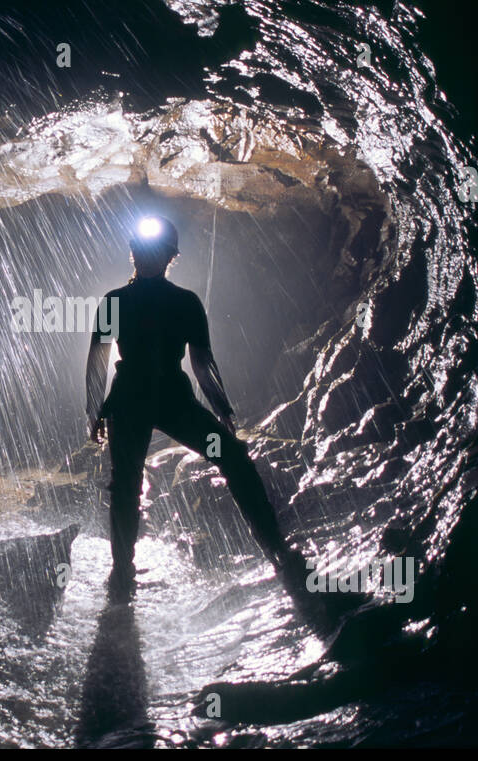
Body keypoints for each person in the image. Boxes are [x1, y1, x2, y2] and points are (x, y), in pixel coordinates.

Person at [85, 216, 353, 624]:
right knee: (126, 484)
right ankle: (123, 571)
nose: (149, 257)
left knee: (233, 457)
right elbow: (98, 358)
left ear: (169, 258)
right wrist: (94, 408)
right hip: (131, 403)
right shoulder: (116, 301)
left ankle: (275, 547)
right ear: (135, 254)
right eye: (144, 251)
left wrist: (222, 408)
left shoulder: (184, 302)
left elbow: (202, 362)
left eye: (157, 252)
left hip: (169, 401)